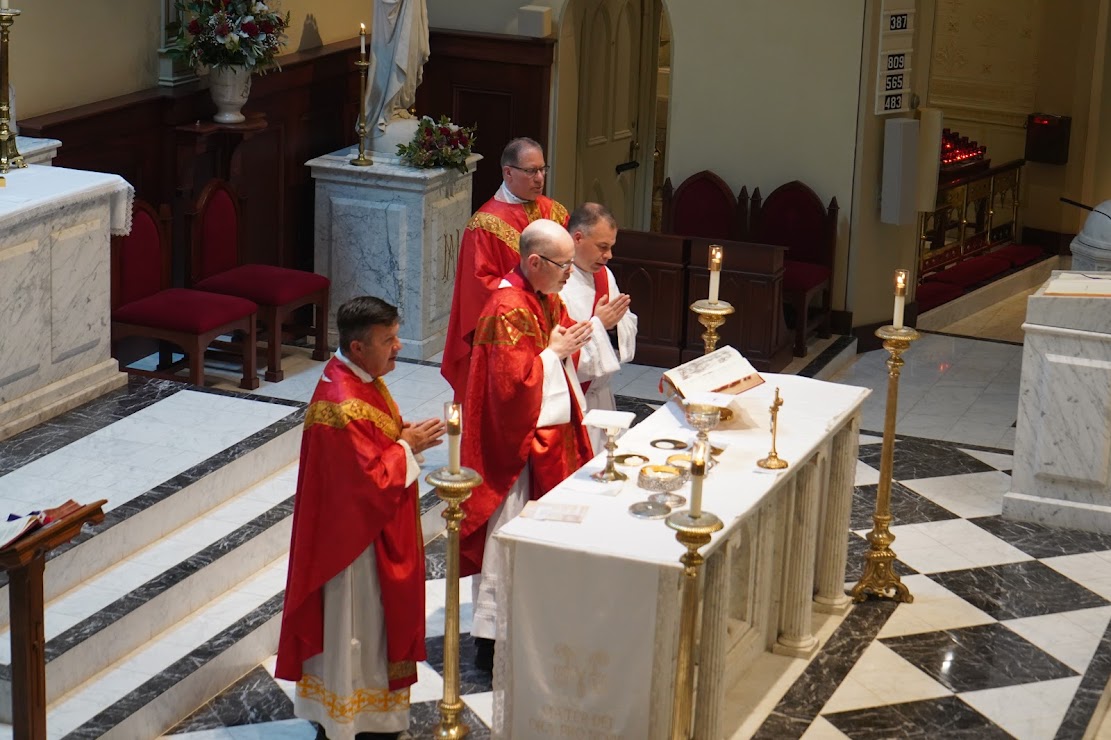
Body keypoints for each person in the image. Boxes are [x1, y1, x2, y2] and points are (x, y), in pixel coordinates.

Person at [275, 296, 445, 740]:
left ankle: (365, 716)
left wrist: (403, 438)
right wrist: (408, 446)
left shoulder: (360, 380)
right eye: (387, 340)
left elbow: (377, 446)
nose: (398, 347)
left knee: (370, 634)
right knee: (360, 631)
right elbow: (365, 482)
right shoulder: (340, 401)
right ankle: (351, 718)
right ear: (356, 347)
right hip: (352, 549)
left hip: (369, 533)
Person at [458, 219, 594, 671]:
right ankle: (493, 637)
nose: (568, 275)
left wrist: (567, 346)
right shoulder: (506, 309)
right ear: (533, 261)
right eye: (563, 265)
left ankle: (535, 621)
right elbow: (509, 389)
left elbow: (562, 340)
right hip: (516, 451)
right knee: (509, 534)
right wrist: (553, 355)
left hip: (547, 439)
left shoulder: (543, 295)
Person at [441, 137, 571, 402]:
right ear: (508, 172)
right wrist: (530, 295)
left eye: (542, 169)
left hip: (554, 322)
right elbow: (477, 289)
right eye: (531, 171)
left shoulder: (554, 212)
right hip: (511, 333)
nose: (539, 178)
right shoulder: (484, 226)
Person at [559, 203, 638, 452]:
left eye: (611, 247)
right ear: (578, 238)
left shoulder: (605, 275)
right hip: (572, 401)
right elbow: (562, 348)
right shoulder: (557, 282)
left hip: (601, 397)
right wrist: (600, 324)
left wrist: (613, 328)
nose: (608, 255)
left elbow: (626, 323)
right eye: (603, 247)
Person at [364, 0, 431, 136]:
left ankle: (400, 106)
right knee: (396, 60)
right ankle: (389, 108)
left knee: (411, 57)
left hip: (412, 13)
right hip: (392, 30)